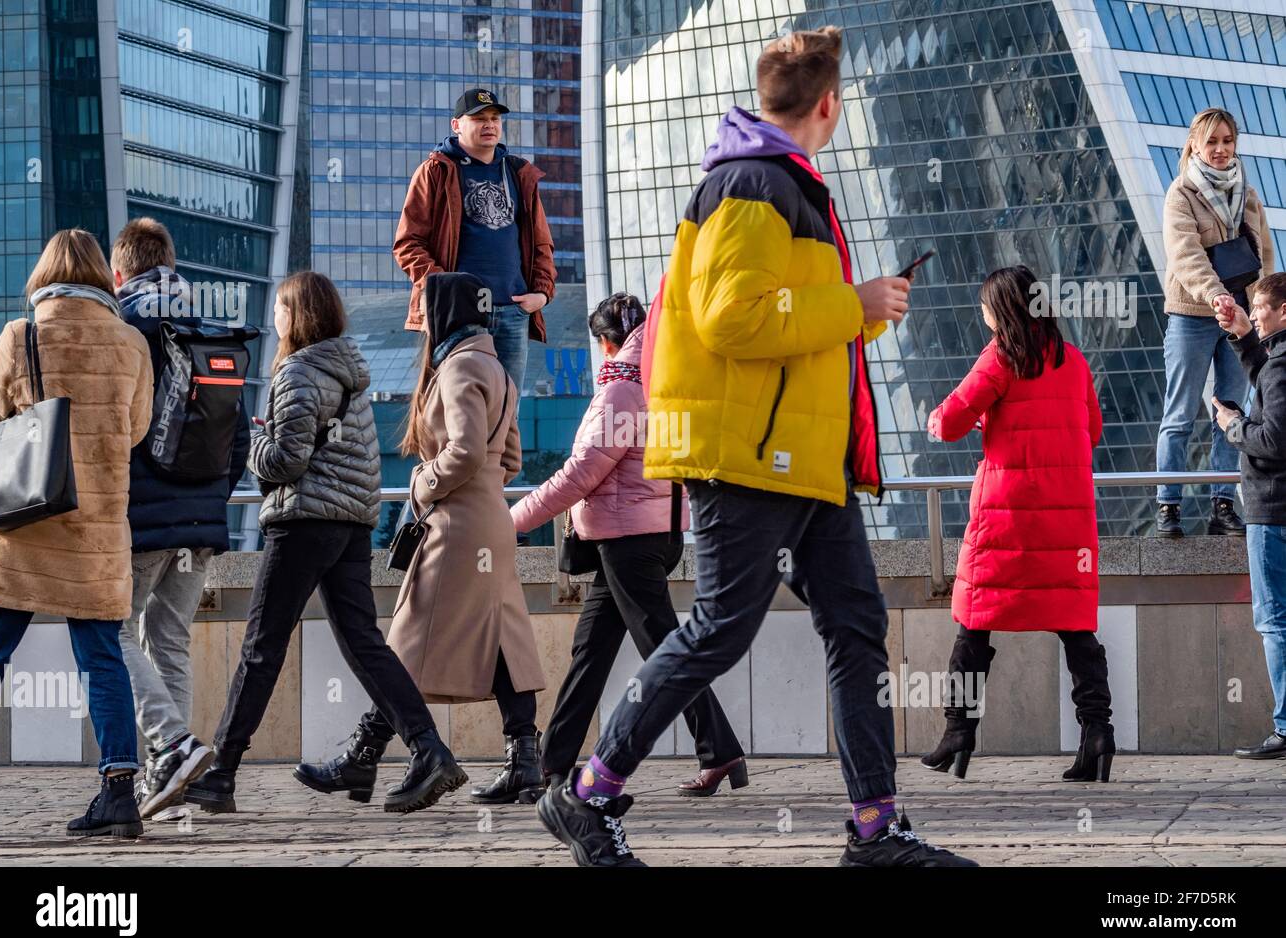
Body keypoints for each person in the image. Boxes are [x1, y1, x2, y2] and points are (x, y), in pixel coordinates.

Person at [534, 28, 974, 867]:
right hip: (746, 457)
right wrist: (854, 303)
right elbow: (733, 320)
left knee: (856, 627)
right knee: (719, 627)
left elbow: (784, 335)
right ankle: (587, 794)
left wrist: (864, 315)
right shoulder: (750, 185)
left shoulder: (784, 185)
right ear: (830, 104)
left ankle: (876, 828)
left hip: (806, 460)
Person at [185, 272, 465, 814]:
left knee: (262, 646)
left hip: (304, 521)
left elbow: (284, 462)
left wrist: (251, 442)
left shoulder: (297, 371)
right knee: (363, 642)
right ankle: (428, 749)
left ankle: (221, 772)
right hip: (351, 523)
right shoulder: (349, 370)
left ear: (297, 315)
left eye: (280, 309)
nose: (275, 319)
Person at [295, 272, 546, 805]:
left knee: (407, 638)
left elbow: (466, 451)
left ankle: (371, 757)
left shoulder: (457, 370)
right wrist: (480, 493)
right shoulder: (496, 367)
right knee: (501, 639)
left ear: (443, 316)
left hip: (455, 524)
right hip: (491, 520)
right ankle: (525, 757)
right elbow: (511, 459)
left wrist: (420, 482)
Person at [512, 293, 748, 796]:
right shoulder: (669, 377)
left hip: (628, 541)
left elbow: (581, 474)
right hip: (655, 533)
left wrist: (513, 519)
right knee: (590, 651)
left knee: (668, 653)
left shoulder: (622, 390)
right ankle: (553, 765)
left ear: (606, 342)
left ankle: (720, 751)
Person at [0, 229, 153, 837]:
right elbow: (135, 431)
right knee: (102, 661)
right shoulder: (131, 342)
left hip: (23, 531)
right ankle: (118, 795)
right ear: (101, 276)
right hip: (97, 533)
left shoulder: (20, 335)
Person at [922, 266, 1115, 784]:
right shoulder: (1072, 360)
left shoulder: (1002, 357)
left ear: (1002, 310)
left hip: (1006, 518)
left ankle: (959, 732)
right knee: (1077, 629)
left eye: (986, 307)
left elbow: (950, 420)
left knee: (973, 625)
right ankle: (1097, 734)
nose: (982, 315)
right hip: (1067, 520)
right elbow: (1091, 429)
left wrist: (950, 419)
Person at [110, 217, 251, 818]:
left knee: (112, 631)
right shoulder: (206, 329)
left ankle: (171, 746)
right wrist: (210, 500)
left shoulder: (126, 330)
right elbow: (238, 438)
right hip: (202, 521)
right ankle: (172, 787)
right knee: (168, 640)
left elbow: (120, 427)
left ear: (120, 272)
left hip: (145, 518)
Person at [1156, 107, 1275, 538]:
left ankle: (1222, 504)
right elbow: (1184, 253)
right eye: (1213, 142)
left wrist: (1256, 308)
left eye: (1228, 141)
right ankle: (1168, 505)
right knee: (1181, 413)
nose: (1221, 150)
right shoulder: (1181, 193)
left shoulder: (1248, 193)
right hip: (1192, 314)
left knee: (1232, 411)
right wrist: (1216, 295)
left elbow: (1262, 253)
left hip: (1237, 320)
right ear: (1195, 144)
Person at [393, 87, 556, 396]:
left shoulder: (519, 173)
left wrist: (542, 295)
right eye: (479, 118)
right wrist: (446, 290)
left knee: (507, 412)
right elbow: (407, 244)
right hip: (461, 313)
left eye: (494, 118)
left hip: (513, 310)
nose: (489, 125)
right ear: (457, 125)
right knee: (461, 411)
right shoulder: (435, 172)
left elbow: (542, 244)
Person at [1211, 272, 1286, 760]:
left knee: (1275, 622)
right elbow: (1268, 374)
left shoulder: (1282, 368)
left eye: (1260, 307)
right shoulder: (1277, 363)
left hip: (1273, 512)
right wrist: (1242, 334)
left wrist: (1233, 425)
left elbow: (1275, 441)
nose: (1254, 312)